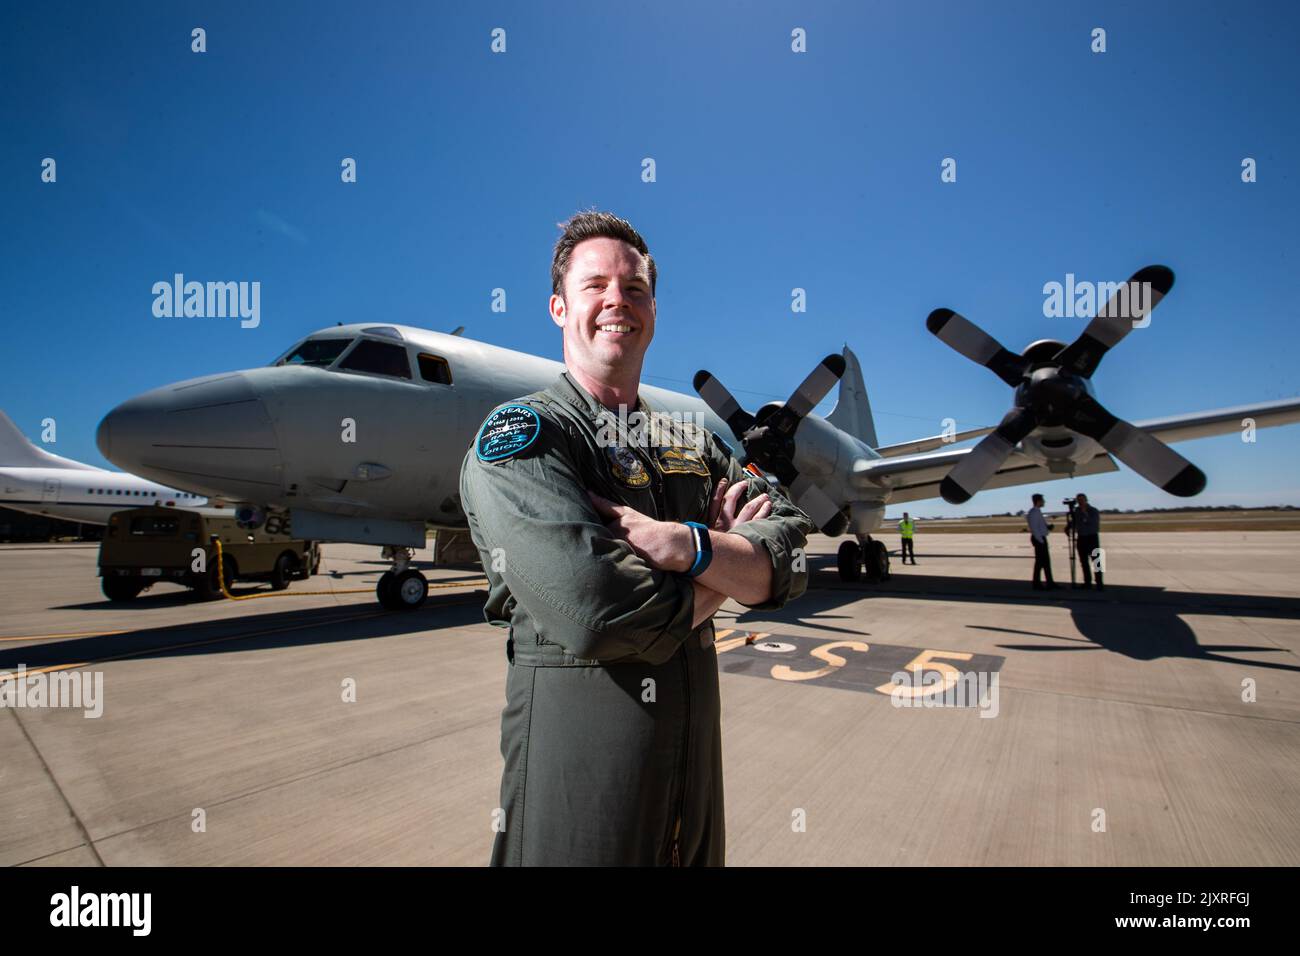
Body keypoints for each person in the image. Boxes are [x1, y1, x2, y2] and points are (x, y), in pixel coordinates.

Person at [458, 211, 814, 866]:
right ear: (559, 307)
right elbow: (600, 613)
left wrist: (689, 547)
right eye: (595, 286)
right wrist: (729, 563)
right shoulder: (525, 435)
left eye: (636, 289)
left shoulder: (688, 439)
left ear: (653, 310)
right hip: (586, 802)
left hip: (694, 795)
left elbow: (790, 539)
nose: (617, 301)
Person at [1026, 493, 1057, 590]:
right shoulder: (1034, 512)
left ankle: (1049, 582)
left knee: (1045, 562)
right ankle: (1037, 583)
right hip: (1039, 539)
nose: (1044, 502)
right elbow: (1034, 528)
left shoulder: (1037, 511)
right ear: (1038, 501)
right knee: (1040, 562)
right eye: (1043, 500)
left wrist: (1047, 528)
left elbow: (1038, 526)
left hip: (1040, 538)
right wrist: (1041, 541)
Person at [1073, 492, 1103, 590]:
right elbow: (1074, 522)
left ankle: (1099, 582)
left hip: (1092, 538)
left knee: (1096, 562)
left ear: (1086, 500)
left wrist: (1085, 515)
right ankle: (1087, 582)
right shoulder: (1076, 511)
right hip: (1081, 538)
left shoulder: (1093, 511)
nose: (1080, 502)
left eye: (1082, 500)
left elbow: (1094, 525)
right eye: (1079, 500)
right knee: (1084, 562)